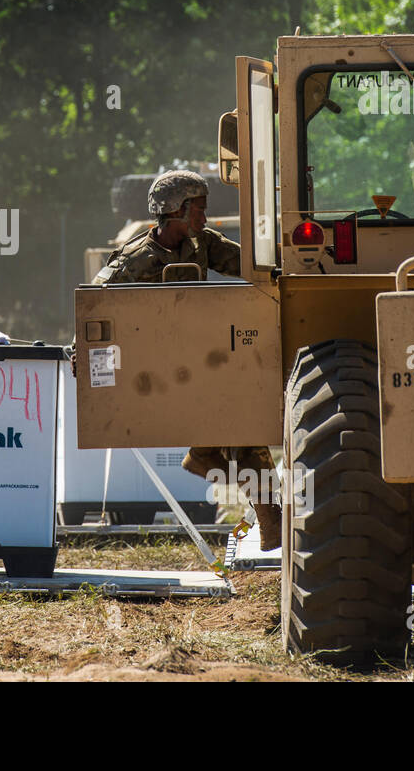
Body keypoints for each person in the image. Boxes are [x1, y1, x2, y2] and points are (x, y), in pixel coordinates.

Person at [89, 169, 282, 550]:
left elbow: (250, 265)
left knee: (245, 423)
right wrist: (86, 354)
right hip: (157, 373)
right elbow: (94, 305)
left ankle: (244, 490)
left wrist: (287, 265)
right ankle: (256, 500)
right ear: (175, 210)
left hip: (199, 363)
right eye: (199, 209)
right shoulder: (135, 260)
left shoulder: (204, 244)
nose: (205, 218)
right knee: (239, 422)